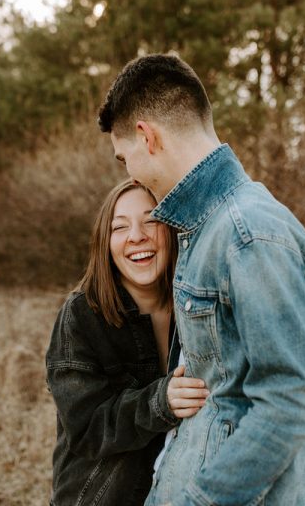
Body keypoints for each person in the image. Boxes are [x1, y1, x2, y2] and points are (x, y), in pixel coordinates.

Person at [97, 54, 305, 506]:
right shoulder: (205, 228)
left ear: (146, 135)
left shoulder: (247, 232)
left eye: (125, 159)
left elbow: (288, 404)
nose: (129, 173)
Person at [46, 179, 210, 506]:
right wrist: (160, 402)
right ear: (105, 243)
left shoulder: (199, 309)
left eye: (151, 220)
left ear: (172, 231)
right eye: (120, 228)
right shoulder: (80, 317)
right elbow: (88, 428)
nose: (137, 236)